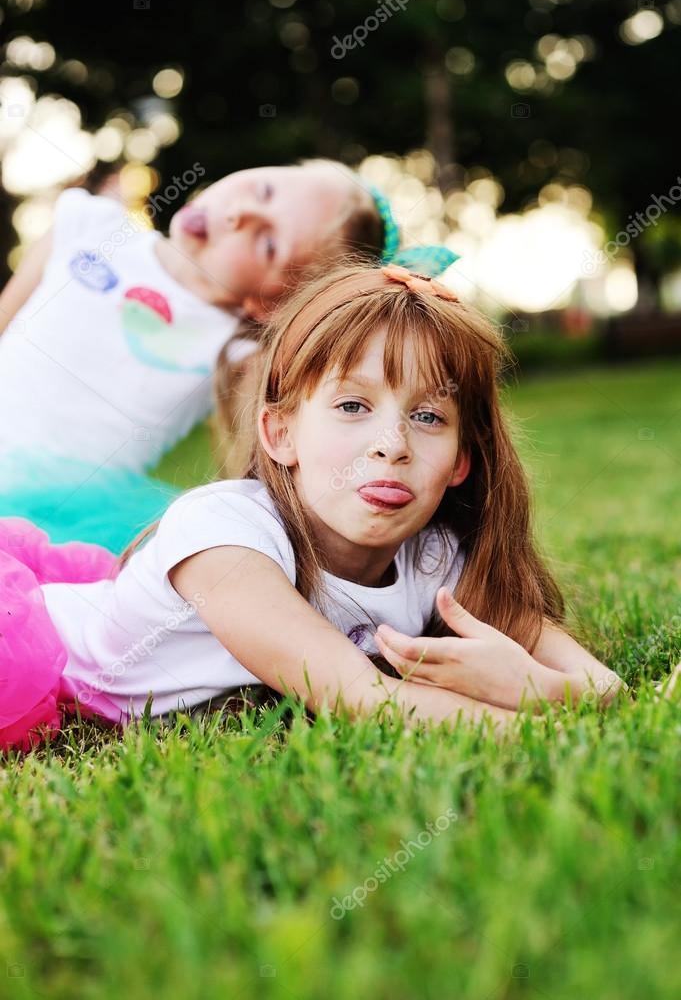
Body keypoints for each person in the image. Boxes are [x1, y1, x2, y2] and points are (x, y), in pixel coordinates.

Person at [0, 261, 621, 755]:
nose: (391, 444)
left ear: (462, 462)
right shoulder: (223, 534)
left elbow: (606, 688)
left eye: (429, 416)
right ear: (280, 434)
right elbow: (360, 696)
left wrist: (539, 685)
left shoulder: (437, 558)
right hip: (41, 660)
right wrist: (548, 715)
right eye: (353, 406)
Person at [0, 160, 396, 552]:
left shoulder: (239, 350)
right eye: (264, 190)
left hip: (57, 514)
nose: (239, 215)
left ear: (272, 304)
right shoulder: (90, 225)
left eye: (268, 243)